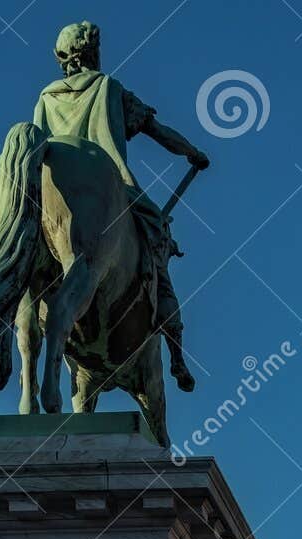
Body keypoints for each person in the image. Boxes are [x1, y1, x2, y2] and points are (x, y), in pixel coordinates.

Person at [31, 21, 211, 389]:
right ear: (94, 53)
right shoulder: (109, 88)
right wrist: (194, 153)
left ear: (63, 58)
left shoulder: (46, 97)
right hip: (114, 188)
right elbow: (159, 133)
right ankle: (173, 343)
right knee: (156, 238)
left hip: (50, 194)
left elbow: (36, 149)